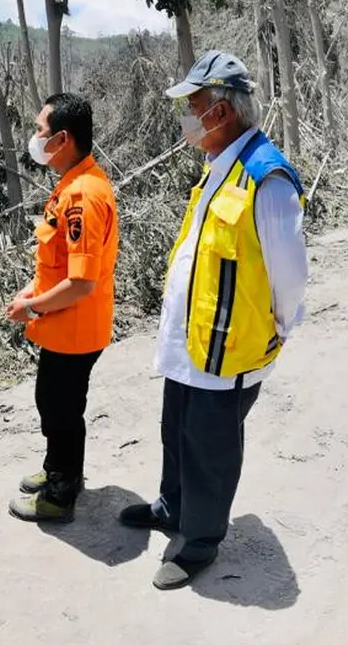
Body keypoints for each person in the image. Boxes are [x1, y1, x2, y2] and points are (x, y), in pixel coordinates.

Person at [119, 50, 309, 590]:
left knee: (210, 446)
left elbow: (290, 275)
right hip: (192, 342)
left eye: (193, 106)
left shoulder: (265, 177)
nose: (187, 118)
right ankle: (173, 508)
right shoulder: (217, 168)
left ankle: (199, 541)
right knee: (177, 432)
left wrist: (275, 331)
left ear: (220, 113)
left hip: (231, 347)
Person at [5, 93, 119, 523]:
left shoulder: (83, 197)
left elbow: (81, 282)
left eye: (40, 131)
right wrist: (29, 290)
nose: (35, 139)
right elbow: (57, 264)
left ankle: (60, 492)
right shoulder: (72, 184)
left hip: (75, 329)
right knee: (54, 404)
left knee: (60, 409)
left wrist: (32, 307)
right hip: (63, 326)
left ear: (63, 139)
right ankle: (59, 470)